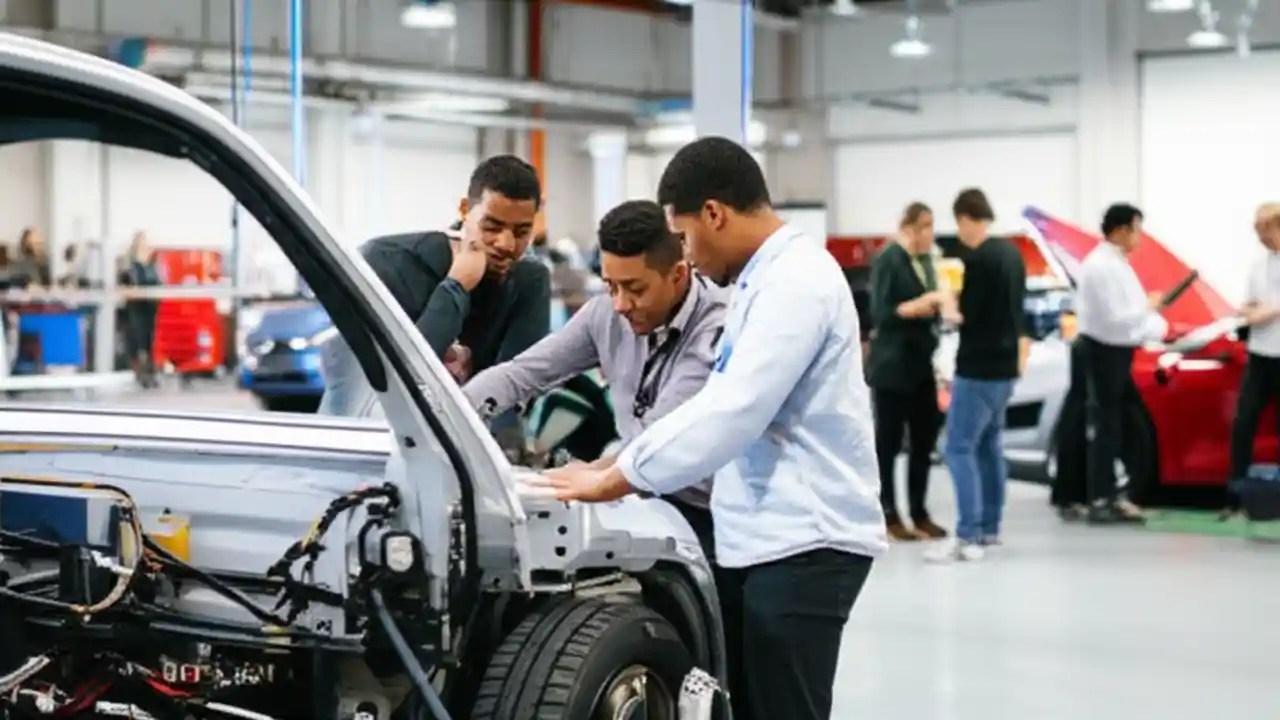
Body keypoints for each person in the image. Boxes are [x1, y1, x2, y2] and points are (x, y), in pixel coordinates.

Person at [534, 137, 884, 720]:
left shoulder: (795, 282)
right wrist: (614, 465)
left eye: (687, 237)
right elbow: (717, 400)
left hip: (807, 541)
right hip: (772, 538)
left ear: (715, 213)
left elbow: (734, 411)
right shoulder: (760, 283)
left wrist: (619, 478)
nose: (689, 258)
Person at [464, 199, 728, 555]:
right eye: (610, 286)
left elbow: (661, 440)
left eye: (635, 289)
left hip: (708, 515)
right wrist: (454, 417)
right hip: (637, 494)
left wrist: (591, 475)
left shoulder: (717, 328)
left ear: (678, 274)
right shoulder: (605, 314)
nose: (620, 304)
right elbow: (520, 375)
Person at [317, 155, 550, 417]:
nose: (506, 244)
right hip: (364, 436)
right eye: (492, 227)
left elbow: (515, 389)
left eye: (521, 232)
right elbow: (401, 382)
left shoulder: (528, 280)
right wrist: (456, 286)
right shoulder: (388, 262)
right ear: (464, 210)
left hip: (463, 447)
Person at [927, 188, 1027, 563]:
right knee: (988, 447)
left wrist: (944, 300)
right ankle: (989, 528)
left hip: (978, 366)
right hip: (1005, 367)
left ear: (966, 218)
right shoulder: (1012, 254)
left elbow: (962, 314)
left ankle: (967, 535)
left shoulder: (981, 259)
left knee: (957, 446)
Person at [1071, 203, 1166, 524]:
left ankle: (1113, 494)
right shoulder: (1102, 266)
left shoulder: (1115, 263)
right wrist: (1149, 308)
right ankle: (1101, 498)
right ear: (1122, 230)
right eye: (1137, 229)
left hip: (1116, 352)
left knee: (1123, 425)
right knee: (1107, 427)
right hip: (1105, 352)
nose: (1139, 237)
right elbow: (1116, 317)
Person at [867, 202, 955, 541]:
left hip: (920, 364)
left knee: (923, 439)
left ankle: (919, 511)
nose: (929, 234)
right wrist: (916, 307)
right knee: (888, 444)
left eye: (932, 226)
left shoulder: (927, 262)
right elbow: (881, 312)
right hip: (892, 366)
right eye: (924, 226)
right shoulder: (890, 259)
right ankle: (887, 512)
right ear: (909, 227)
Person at [1226, 202, 1280, 516]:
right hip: (1259, 356)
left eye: (1262, 227)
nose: (1258, 234)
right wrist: (1252, 311)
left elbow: (1268, 310)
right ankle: (1235, 495)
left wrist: (1264, 311)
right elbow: (1251, 307)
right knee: (1242, 423)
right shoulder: (1258, 265)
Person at [120, 231, 162, 389]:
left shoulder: (152, 266)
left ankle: (151, 373)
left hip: (151, 309)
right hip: (136, 310)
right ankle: (140, 374)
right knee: (139, 342)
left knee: (151, 341)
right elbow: (124, 287)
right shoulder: (129, 266)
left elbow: (158, 285)